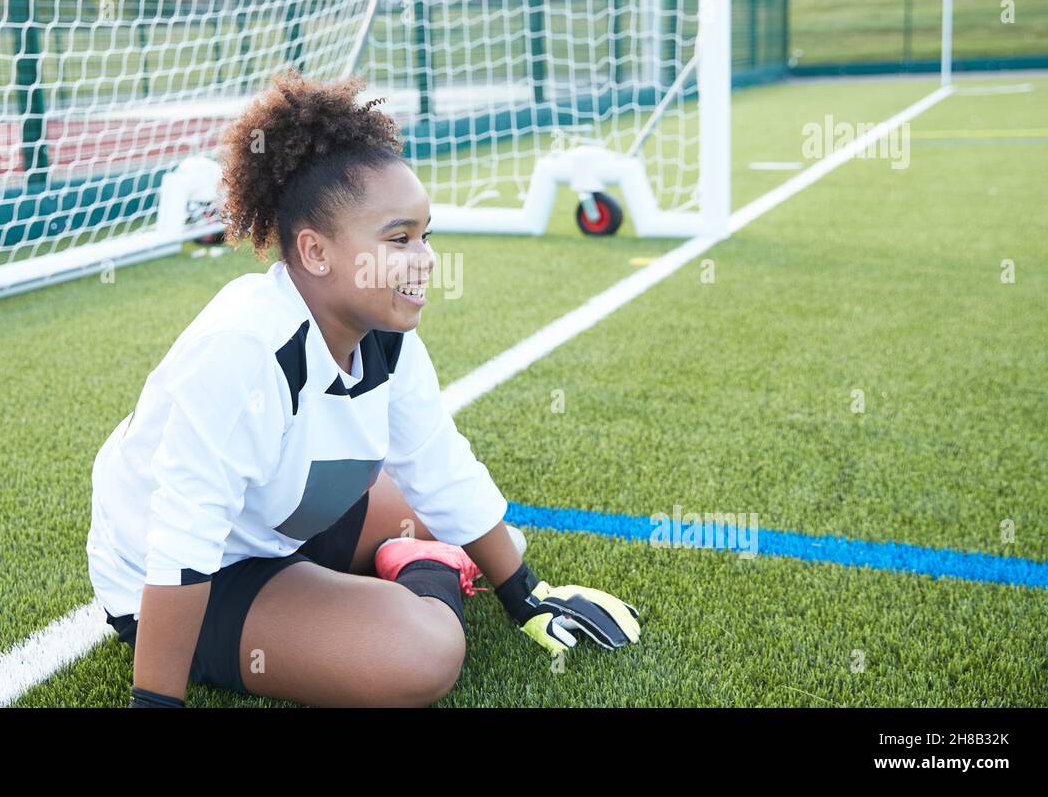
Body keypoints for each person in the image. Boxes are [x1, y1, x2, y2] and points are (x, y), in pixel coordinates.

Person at [85, 68, 642, 708]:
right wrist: (156, 703)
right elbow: (183, 546)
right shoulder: (241, 350)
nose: (425, 258)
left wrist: (529, 597)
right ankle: (423, 568)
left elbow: (439, 463)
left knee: (444, 516)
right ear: (316, 253)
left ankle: (404, 555)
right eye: (398, 238)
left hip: (278, 517)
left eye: (425, 236)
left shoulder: (383, 334)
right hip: (203, 575)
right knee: (423, 654)